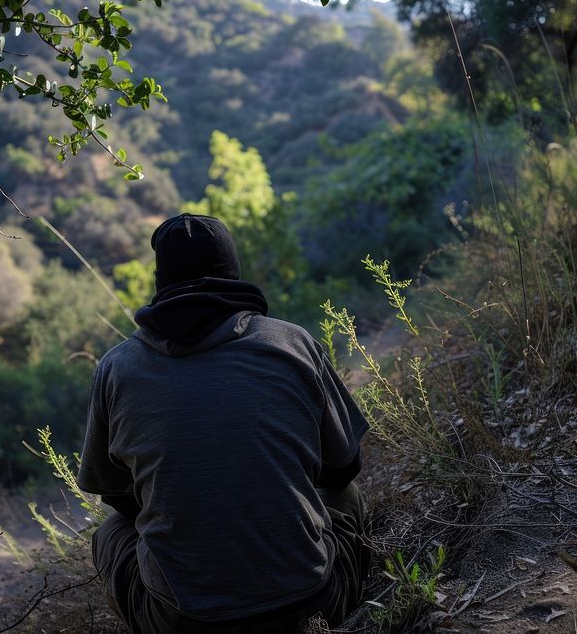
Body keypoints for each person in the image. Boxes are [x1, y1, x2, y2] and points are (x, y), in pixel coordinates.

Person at [77, 214, 371, 634]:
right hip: (314, 604)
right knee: (347, 496)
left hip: (184, 621)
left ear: (161, 281)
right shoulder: (292, 343)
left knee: (111, 533)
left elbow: (117, 496)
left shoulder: (117, 368)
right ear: (233, 271)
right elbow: (343, 468)